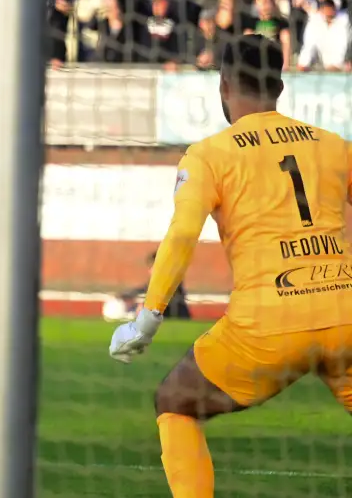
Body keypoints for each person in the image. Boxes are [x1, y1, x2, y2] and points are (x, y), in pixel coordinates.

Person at [109, 36, 352, 497]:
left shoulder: (209, 154)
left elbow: (183, 233)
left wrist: (147, 319)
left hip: (268, 324)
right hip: (344, 313)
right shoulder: (334, 145)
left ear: (223, 85)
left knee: (175, 401)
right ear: (279, 86)